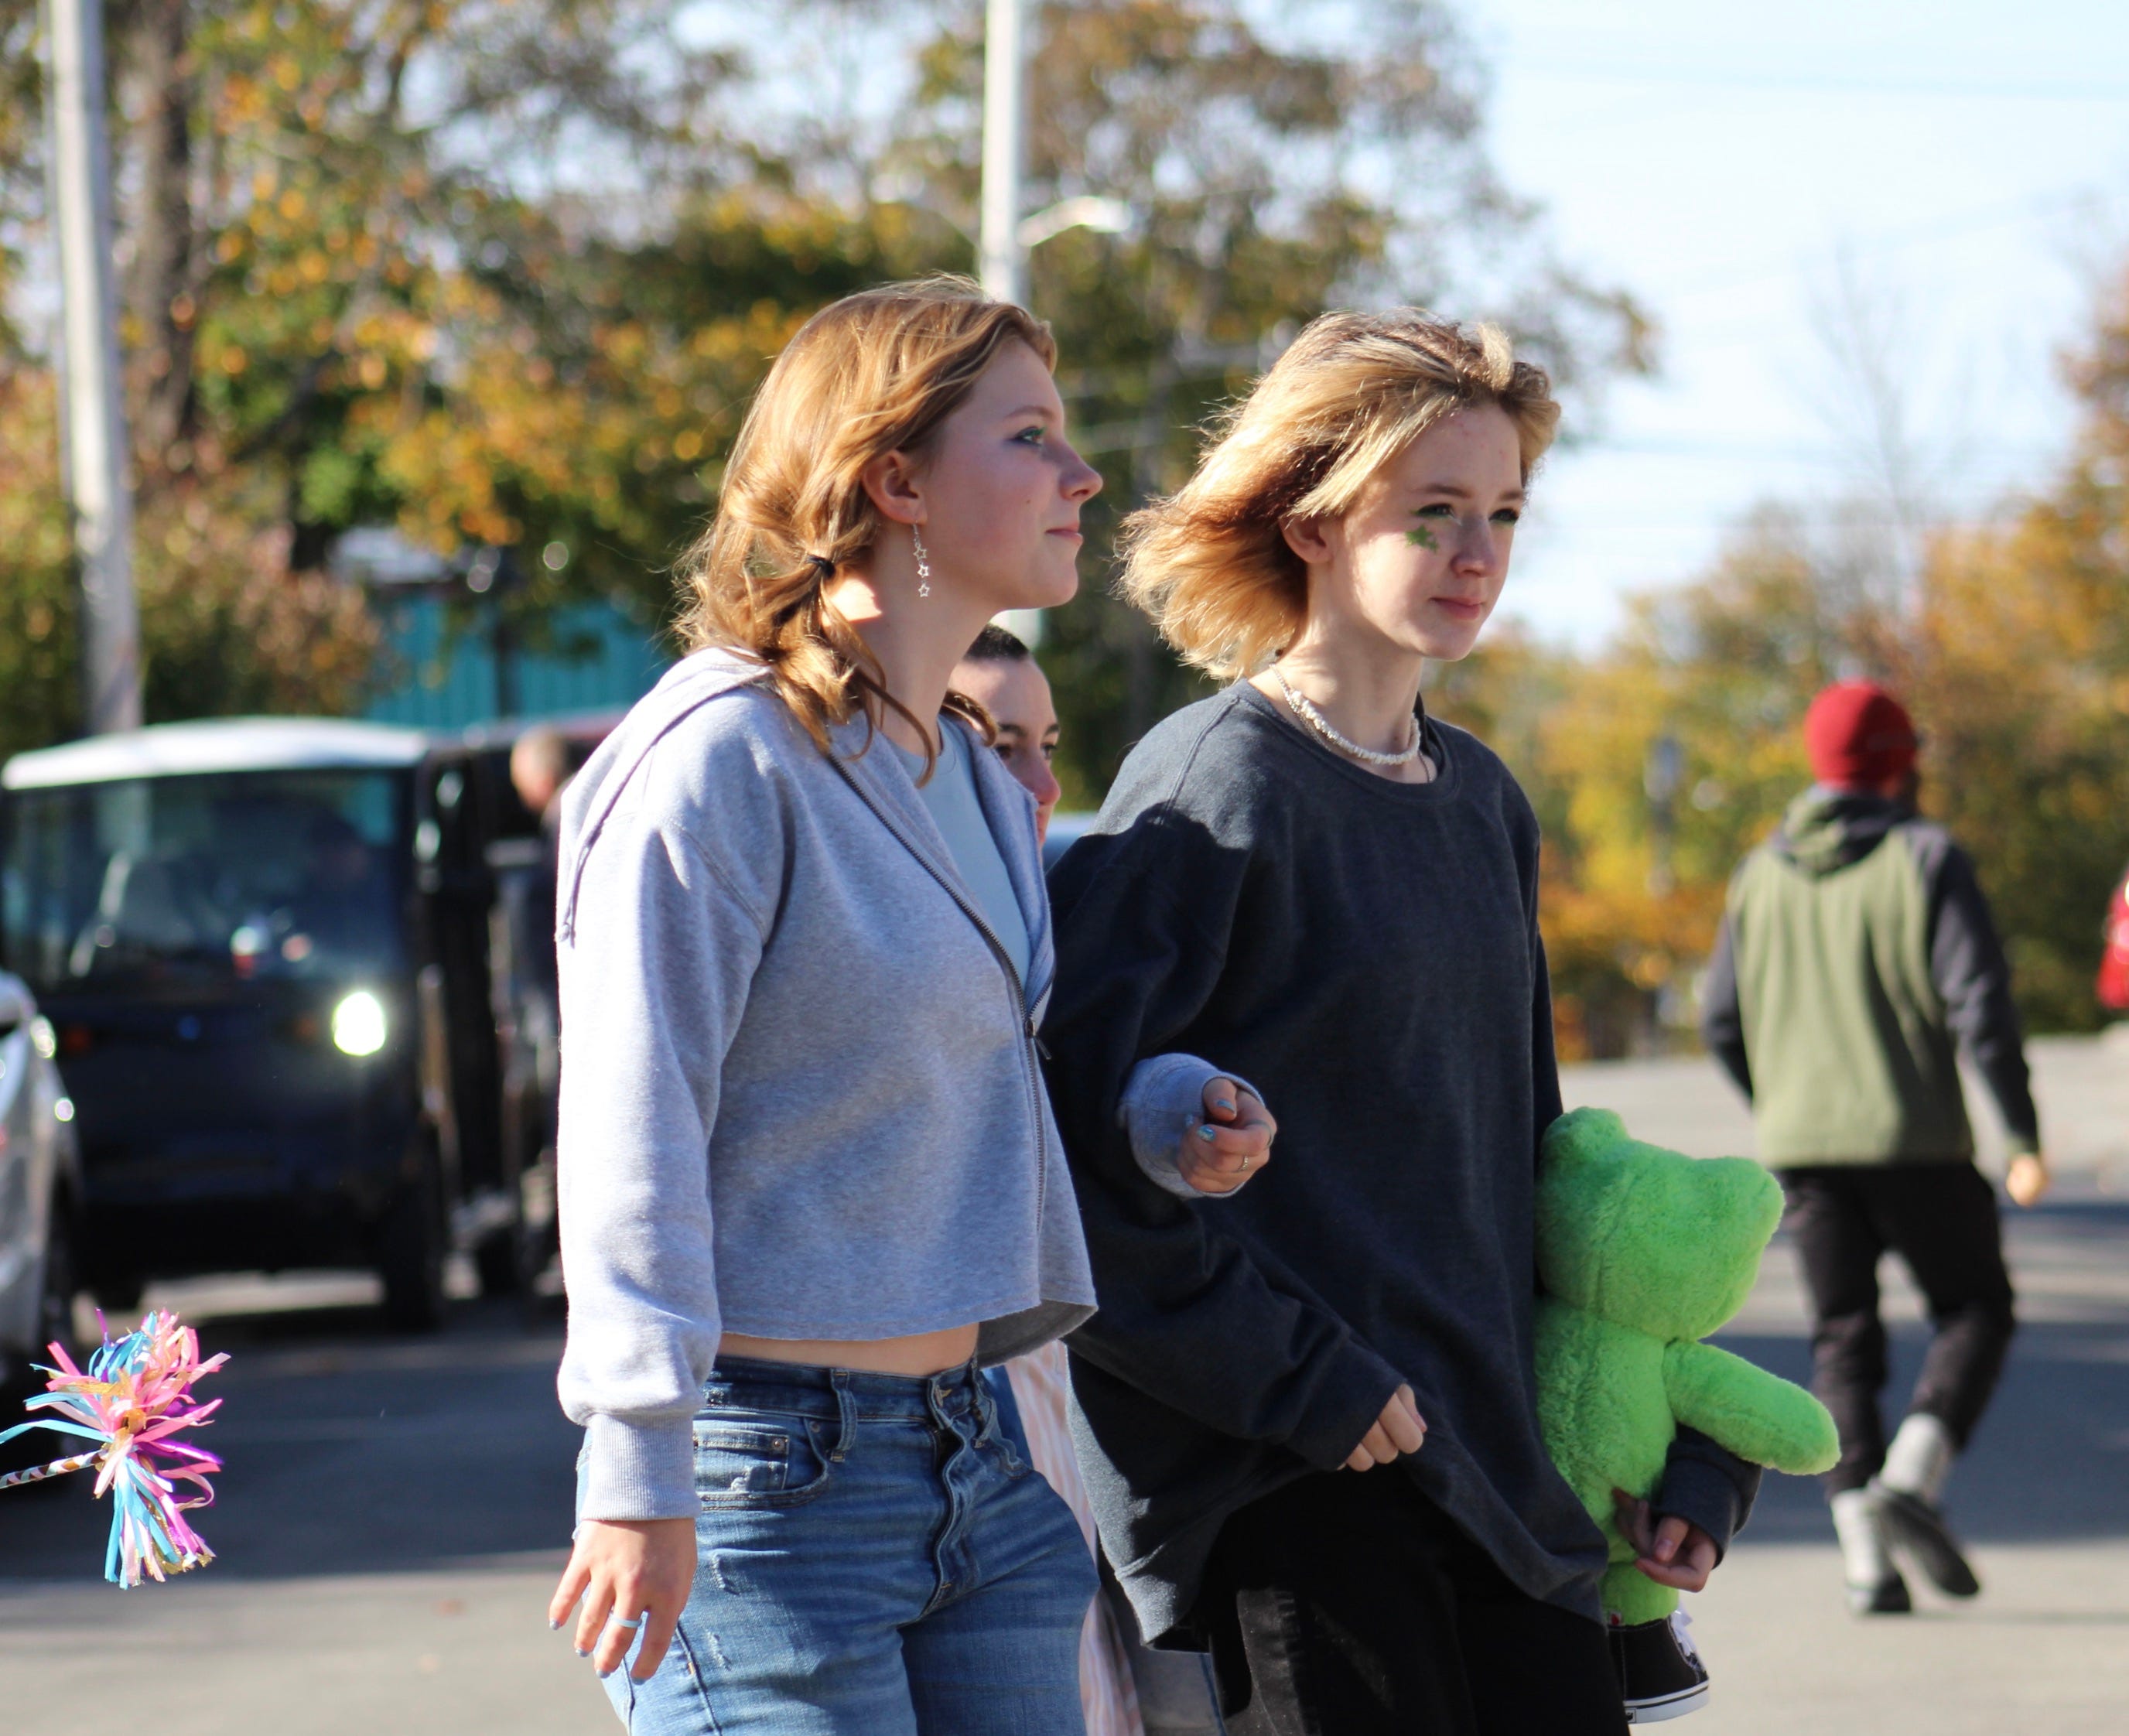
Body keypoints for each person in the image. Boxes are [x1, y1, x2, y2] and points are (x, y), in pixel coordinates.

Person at [543, 276, 1257, 1736]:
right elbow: (632, 1126)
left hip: (980, 1462)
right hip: (762, 1488)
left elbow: (950, 1067)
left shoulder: (975, 779)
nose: (1082, 475)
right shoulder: (717, 756)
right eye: (1030, 436)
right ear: (895, 481)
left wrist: (1160, 1111)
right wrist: (636, 1463)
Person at [1041, 310, 1757, 1736]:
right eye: (1432, 510)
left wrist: (1656, 1420)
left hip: (1504, 1485)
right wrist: (1297, 1380)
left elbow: (1531, 1174)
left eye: (1504, 512)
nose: (1478, 551)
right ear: (1312, 520)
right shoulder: (1211, 786)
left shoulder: (1483, 800)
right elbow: (1066, 1171)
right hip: (1297, 1486)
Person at [1701, 680, 2048, 1616]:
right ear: (1900, 763)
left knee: (1842, 1337)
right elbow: (1980, 1005)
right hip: (1918, 1140)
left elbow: (1720, 1017)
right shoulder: (1926, 856)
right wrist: (2019, 1133)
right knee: (1975, 1308)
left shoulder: (1759, 872)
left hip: (1804, 1151)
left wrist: (1781, 1103)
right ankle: (1911, 1478)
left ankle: (1864, 1557)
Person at [952, 625, 1235, 1736]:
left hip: (1072, 1381)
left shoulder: (1062, 901)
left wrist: (1186, 1111)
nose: (1041, 783)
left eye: (1047, 744)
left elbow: (1113, 1073)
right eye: (997, 744)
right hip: (931, 1397)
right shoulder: (866, 922)